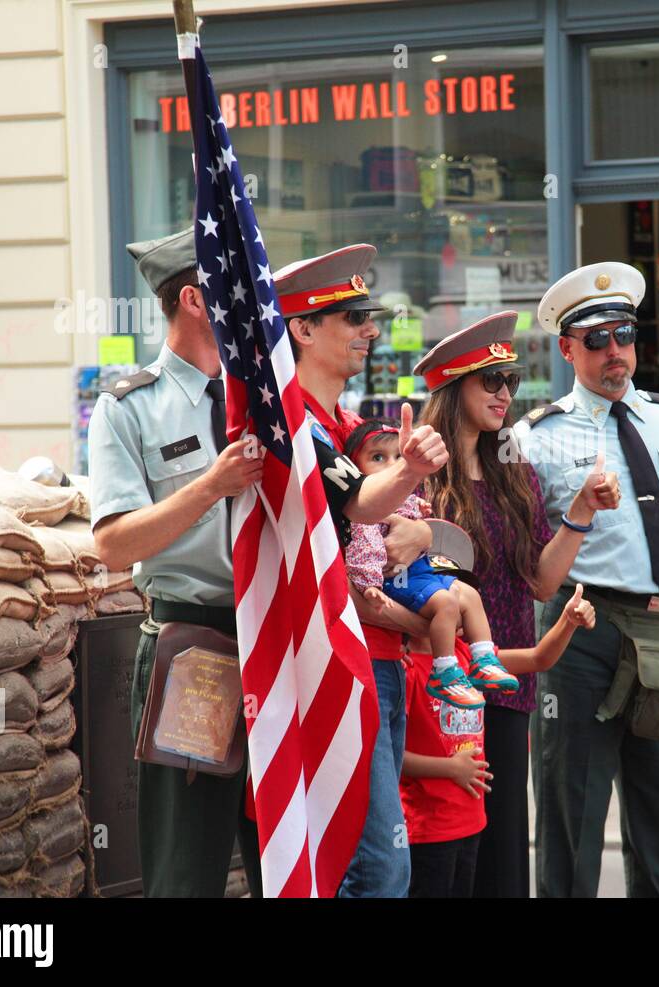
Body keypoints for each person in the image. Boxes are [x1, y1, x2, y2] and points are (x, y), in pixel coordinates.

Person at [514, 262, 659, 898]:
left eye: (624, 334)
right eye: (596, 339)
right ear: (566, 349)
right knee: (570, 826)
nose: (615, 351)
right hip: (582, 633)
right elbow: (528, 562)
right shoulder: (536, 440)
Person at [415, 311, 620, 898]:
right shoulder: (421, 475)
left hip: (506, 685)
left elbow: (540, 583)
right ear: (455, 388)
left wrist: (580, 511)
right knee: (446, 851)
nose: (506, 393)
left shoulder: (515, 472)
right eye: (491, 381)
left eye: (512, 380)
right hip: (440, 688)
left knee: (504, 850)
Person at [89, 227, 264, 897]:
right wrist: (209, 486)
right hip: (196, 645)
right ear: (195, 299)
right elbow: (112, 544)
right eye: (232, 288)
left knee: (280, 848)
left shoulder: (266, 401)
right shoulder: (130, 406)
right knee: (187, 861)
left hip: (273, 635)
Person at [274, 244, 447, 898]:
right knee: (378, 867)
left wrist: (422, 526)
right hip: (336, 663)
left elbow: (412, 530)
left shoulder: (345, 422)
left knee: (366, 858)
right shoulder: (295, 422)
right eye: (352, 317)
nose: (371, 330)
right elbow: (361, 502)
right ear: (304, 327)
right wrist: (407, 471)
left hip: (379, 661)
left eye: (368, 315)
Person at [401, 584, 598, 898]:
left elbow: (538, 659)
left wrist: (568, 621)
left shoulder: (467, 655)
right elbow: (390, 758)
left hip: (471, 825)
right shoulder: (405, 669)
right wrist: (450, 769)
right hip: (426, 832)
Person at [341, 418, 519, 709]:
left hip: (420, 571)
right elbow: (367, 547)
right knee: (447, 604)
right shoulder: (366, 508)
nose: (391, 465)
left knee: (471, 595)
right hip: (396, 578)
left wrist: (420, 516)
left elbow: (418, 520)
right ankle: (444, 669)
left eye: (398, 457)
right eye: (377, 458)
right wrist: (370, 583)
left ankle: (484, 657)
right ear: (355, 468)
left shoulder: (402, 497)